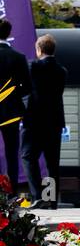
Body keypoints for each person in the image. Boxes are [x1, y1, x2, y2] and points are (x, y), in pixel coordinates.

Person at [21, 34, 66, 207]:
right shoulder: (61, 71)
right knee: (52, 163)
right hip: (54, 121)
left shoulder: (32, 67)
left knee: (28, 156)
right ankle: (51, 200)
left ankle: (37, 196)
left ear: (39, 50)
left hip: (33, 121)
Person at [0, 18, 31, 190]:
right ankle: (11, 191)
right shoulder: (18, 58)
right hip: (11, 111)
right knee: (12, 152)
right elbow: (26, 87)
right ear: (9, 34)